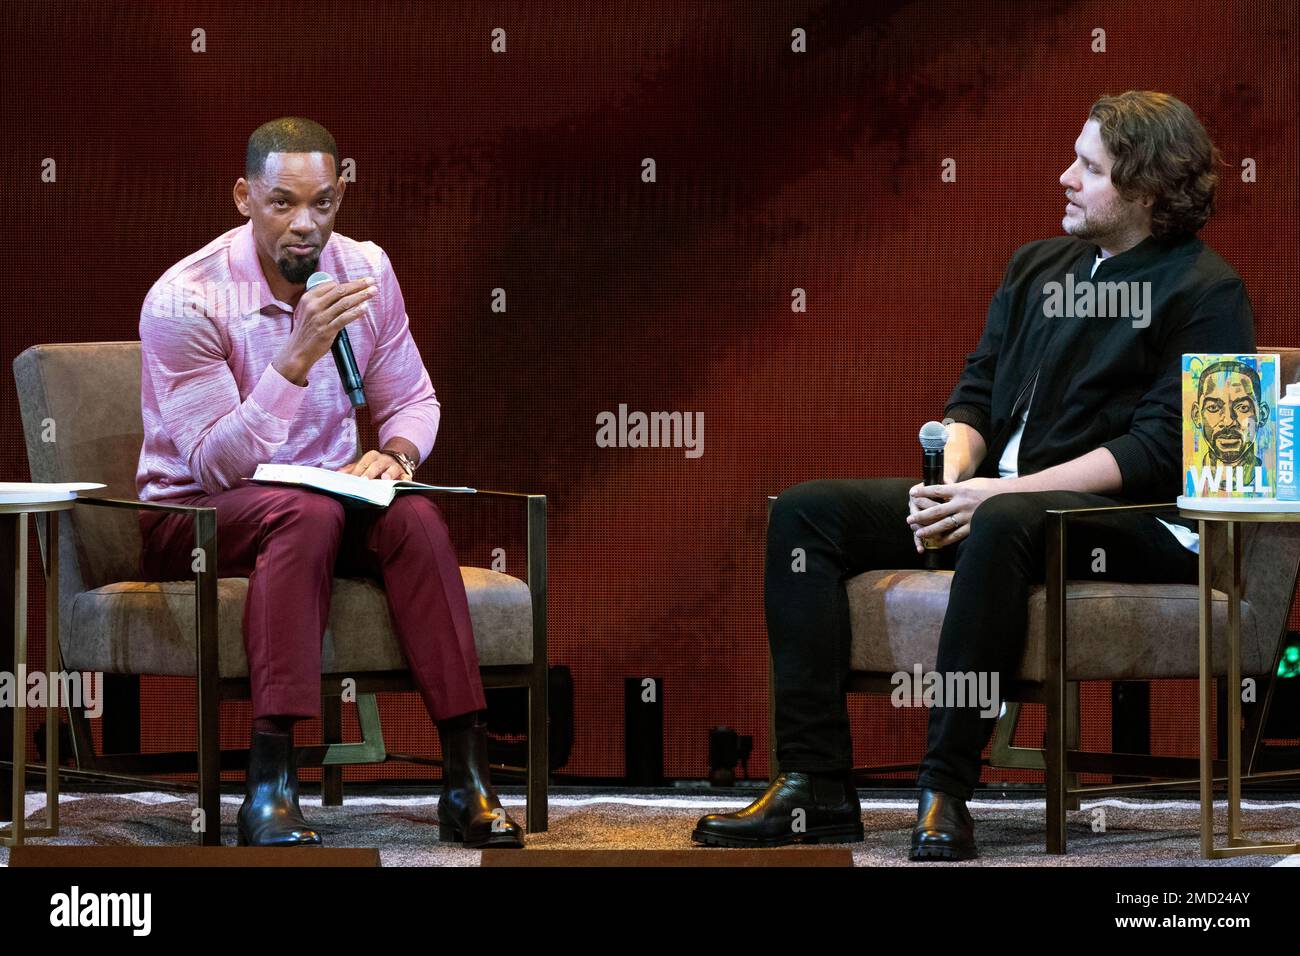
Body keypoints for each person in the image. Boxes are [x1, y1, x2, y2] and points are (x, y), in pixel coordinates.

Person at [692, 91, 1255, 859]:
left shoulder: (1208, 291)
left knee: (1002, 521)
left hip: (1137, 524)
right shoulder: (1036, 266)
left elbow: (1163, 453)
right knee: (805, 512)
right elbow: (977, 395)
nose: (1064, 177)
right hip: (1000, 510)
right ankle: (815, 784)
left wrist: (995, 494)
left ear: (1148, 191)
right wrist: (953, 476)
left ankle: (945, 788)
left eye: (1088, 168)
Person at [135, 117, 523, 848]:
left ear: (342, 193)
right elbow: (216, 463)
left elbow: (413, 399)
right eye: (283, 203)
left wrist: (398, 456)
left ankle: (467, 776)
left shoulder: (364, 270)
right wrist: (295, 359)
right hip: (192, 518)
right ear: (244, 197)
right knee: (303, 517)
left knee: (414, 519)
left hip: (323, 500)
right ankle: (271, 785)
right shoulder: (187, 298)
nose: (304, 226)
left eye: (322, 203)